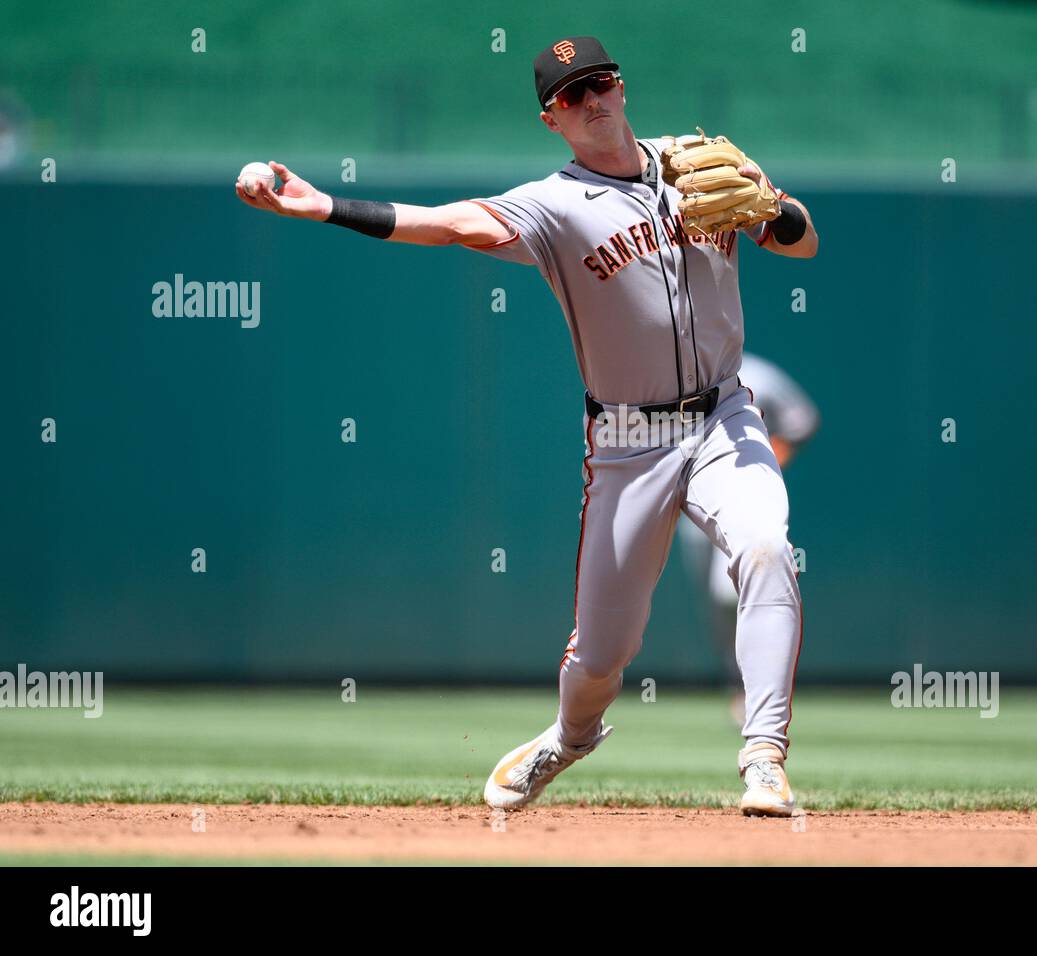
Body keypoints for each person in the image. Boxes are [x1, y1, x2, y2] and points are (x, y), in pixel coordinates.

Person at [233, 35, 819, 816]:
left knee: (768, 548)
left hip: (724, 417)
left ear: (622, 86)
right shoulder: (551, 205)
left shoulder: (694, 164)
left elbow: (803, 243)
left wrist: (772, 204)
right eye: (574, 95)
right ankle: (570, 738)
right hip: (626, 443)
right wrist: (324, 205)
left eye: (602, 82)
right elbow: (444, 223)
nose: (594, 101)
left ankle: (763, 758)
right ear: (554, 119)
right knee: (602, 655)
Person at [675, 353, 820, 726]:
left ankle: (758, 694)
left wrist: (769, 458)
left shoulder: (755, 373)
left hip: (743, 497)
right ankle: (739, 682)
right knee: (716, 603)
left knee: (731, 593)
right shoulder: (675, 372)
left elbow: (802, 420)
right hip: (692, 500)